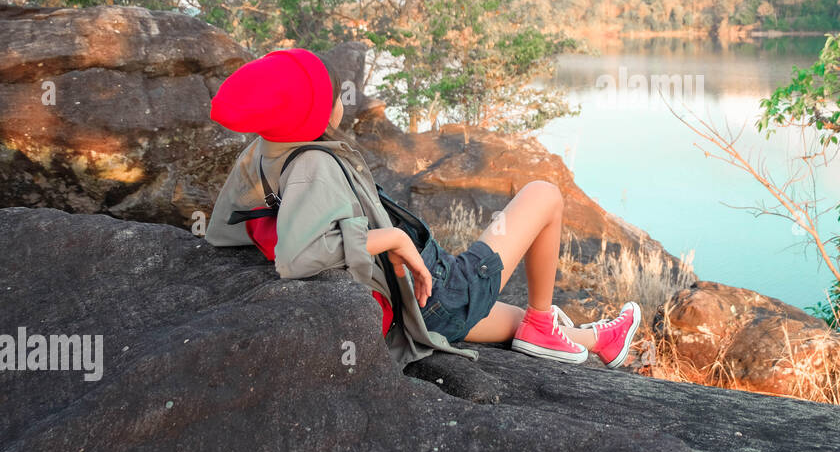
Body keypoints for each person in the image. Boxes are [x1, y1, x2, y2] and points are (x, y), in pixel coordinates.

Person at [204, 47, 641, 370]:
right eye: (333, 96)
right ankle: (546, 321)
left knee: (512, 321)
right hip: (434, 287)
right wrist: (392, 237)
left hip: (418, 300)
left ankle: (596, 338)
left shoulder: (263, 150)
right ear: (311, 112)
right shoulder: (314, 165)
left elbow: (225, 230)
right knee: (545, 193)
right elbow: (296, 257)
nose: (341, 101)